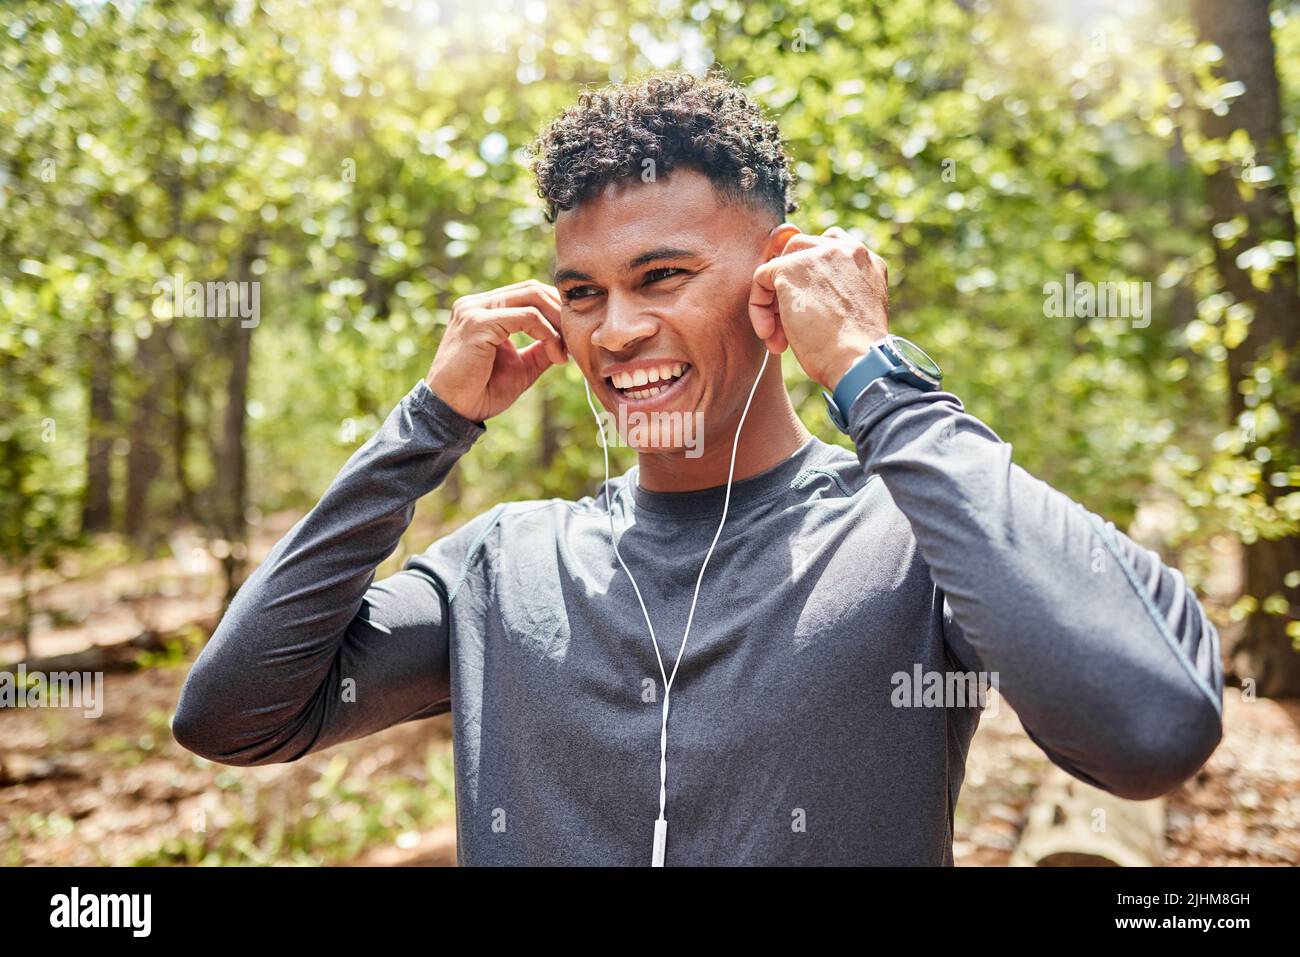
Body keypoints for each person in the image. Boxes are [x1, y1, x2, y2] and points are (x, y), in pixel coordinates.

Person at [173, 69, 1223, 866]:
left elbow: (1149, 726)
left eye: (662, 276)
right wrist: (425, 425)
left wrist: (873, 374)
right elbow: (231, 716)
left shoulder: (913, 539)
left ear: (779, 274)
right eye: (580, 294)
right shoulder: (501, 566)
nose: (616, 330)